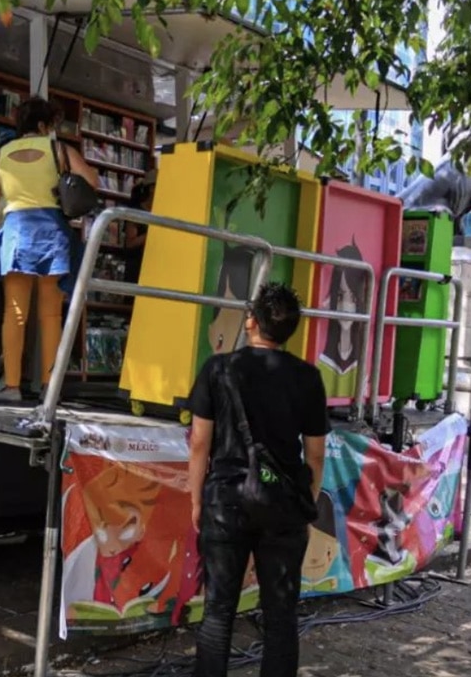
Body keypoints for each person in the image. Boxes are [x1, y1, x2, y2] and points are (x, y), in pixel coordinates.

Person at [187, 282, 328, 677]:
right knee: (281, 616)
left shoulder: (218, 368)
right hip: (284, 507)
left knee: (218, 611)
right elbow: (315, 454)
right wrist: (306, 501)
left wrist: (197, 499)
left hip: (226, 499)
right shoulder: (308, 377)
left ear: (251, 321)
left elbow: (200, 443)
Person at [0, 96, 99, 403]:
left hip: (16, 235)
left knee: (14, 314)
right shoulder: (59, 149)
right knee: (50, 316)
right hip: (52, 234)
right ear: (45, 125)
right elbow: (92, 181)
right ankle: (49, 385)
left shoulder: (0, 154)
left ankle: (11, 386)